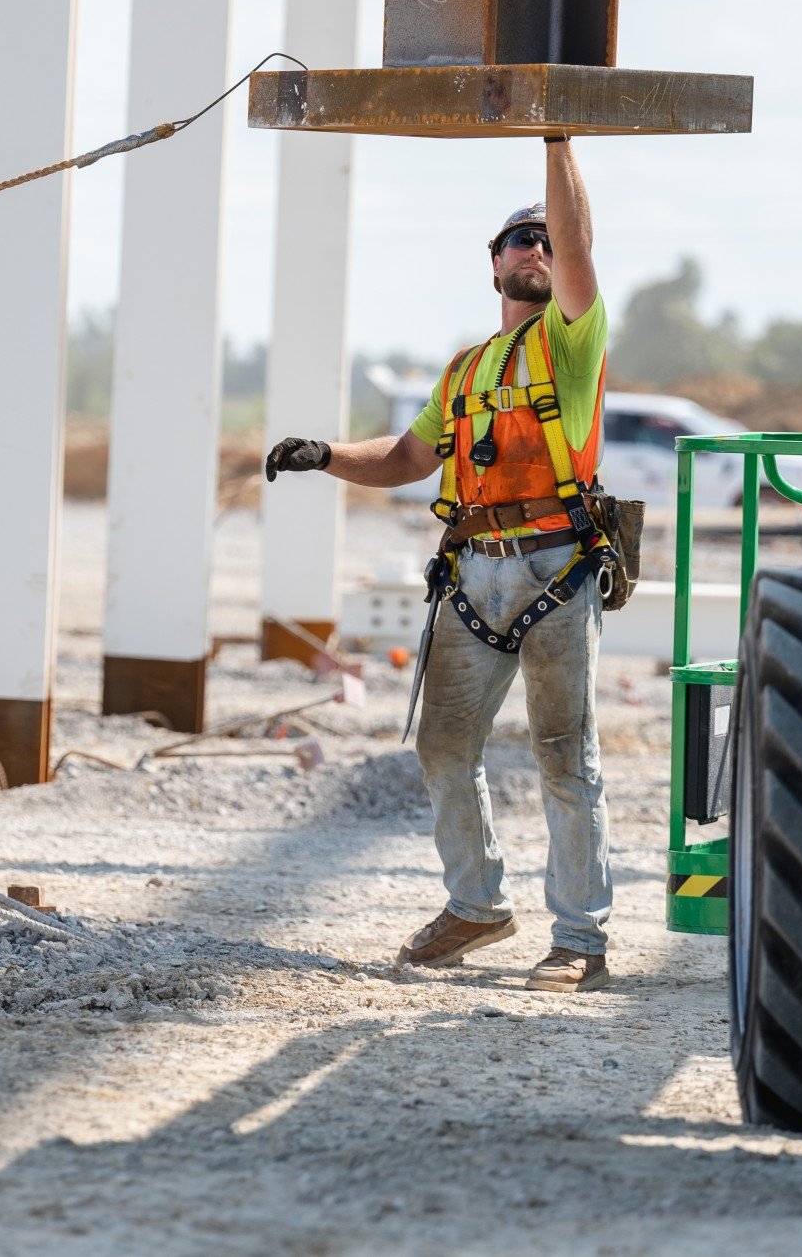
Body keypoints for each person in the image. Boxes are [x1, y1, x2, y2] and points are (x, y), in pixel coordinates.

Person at [264, 139, 614, 992]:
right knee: (444, 745)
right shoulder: (463, 371)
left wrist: (556, 138)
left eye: (544, 238)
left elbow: (577, 242)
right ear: (492, 264)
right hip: (473, 572)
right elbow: (407, 456)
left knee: (564, 754)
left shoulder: (570, 343)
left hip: (554, 568)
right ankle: (477, 905)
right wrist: (325, 454)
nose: (535, 247)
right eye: (517, 240)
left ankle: (580, 939)